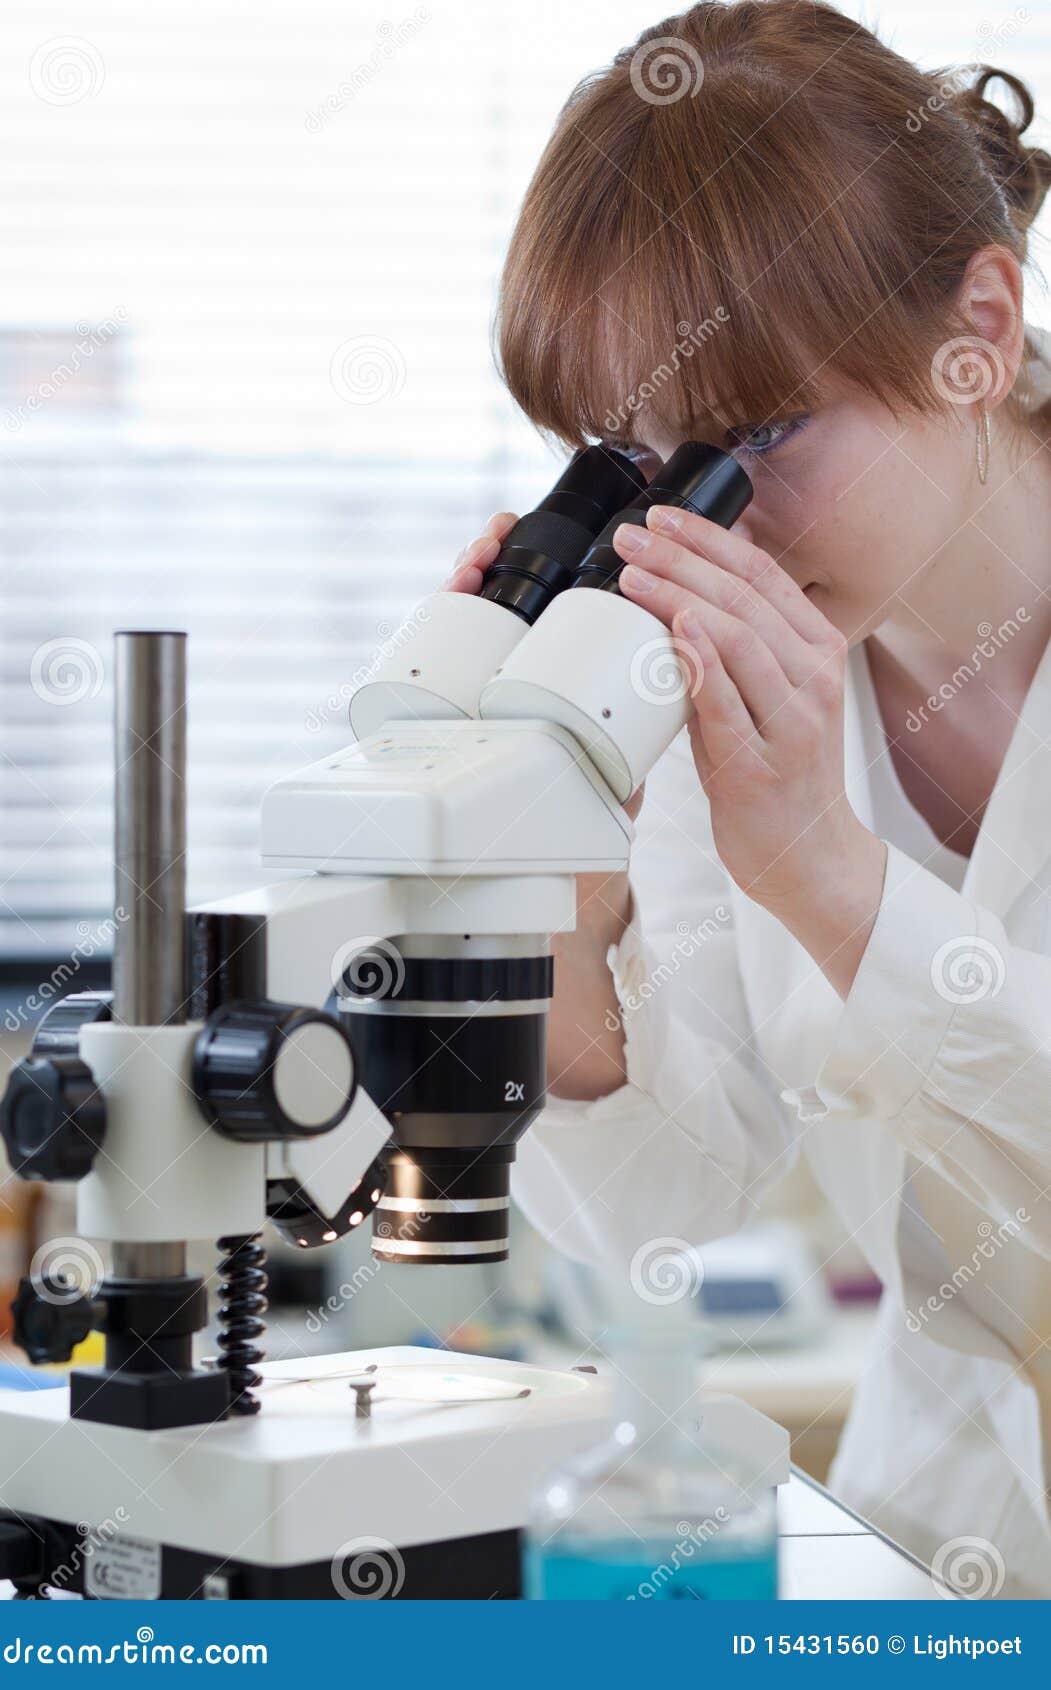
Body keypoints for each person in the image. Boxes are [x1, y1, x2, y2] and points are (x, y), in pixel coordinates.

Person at [446, 0, 1051, 1596]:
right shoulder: (760, 682)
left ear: (976, 322)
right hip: (950, 1538)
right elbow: (661, 1197)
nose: (712, 531)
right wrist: (554, 910)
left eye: (758, 439)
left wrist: (839, 885)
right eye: (644, 465)